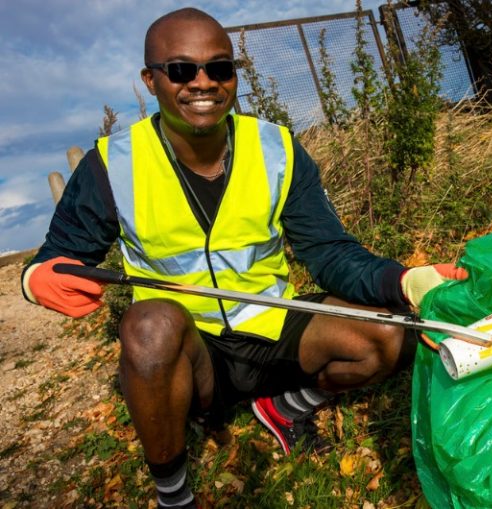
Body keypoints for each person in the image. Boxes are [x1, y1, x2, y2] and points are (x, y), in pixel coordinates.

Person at [20, 7, 467, 508]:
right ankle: (173, 494)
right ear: (151, 81)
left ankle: (284, 407)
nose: (203, 82)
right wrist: (35, 279)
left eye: (220, 67)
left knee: (389, 333)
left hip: (274, 330)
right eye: (182, 70)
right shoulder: (112, 163)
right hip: (189, 356)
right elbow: (58, 255)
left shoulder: (277, 149)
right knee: (149, 327)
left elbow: (329, 252)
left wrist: (404, 282)